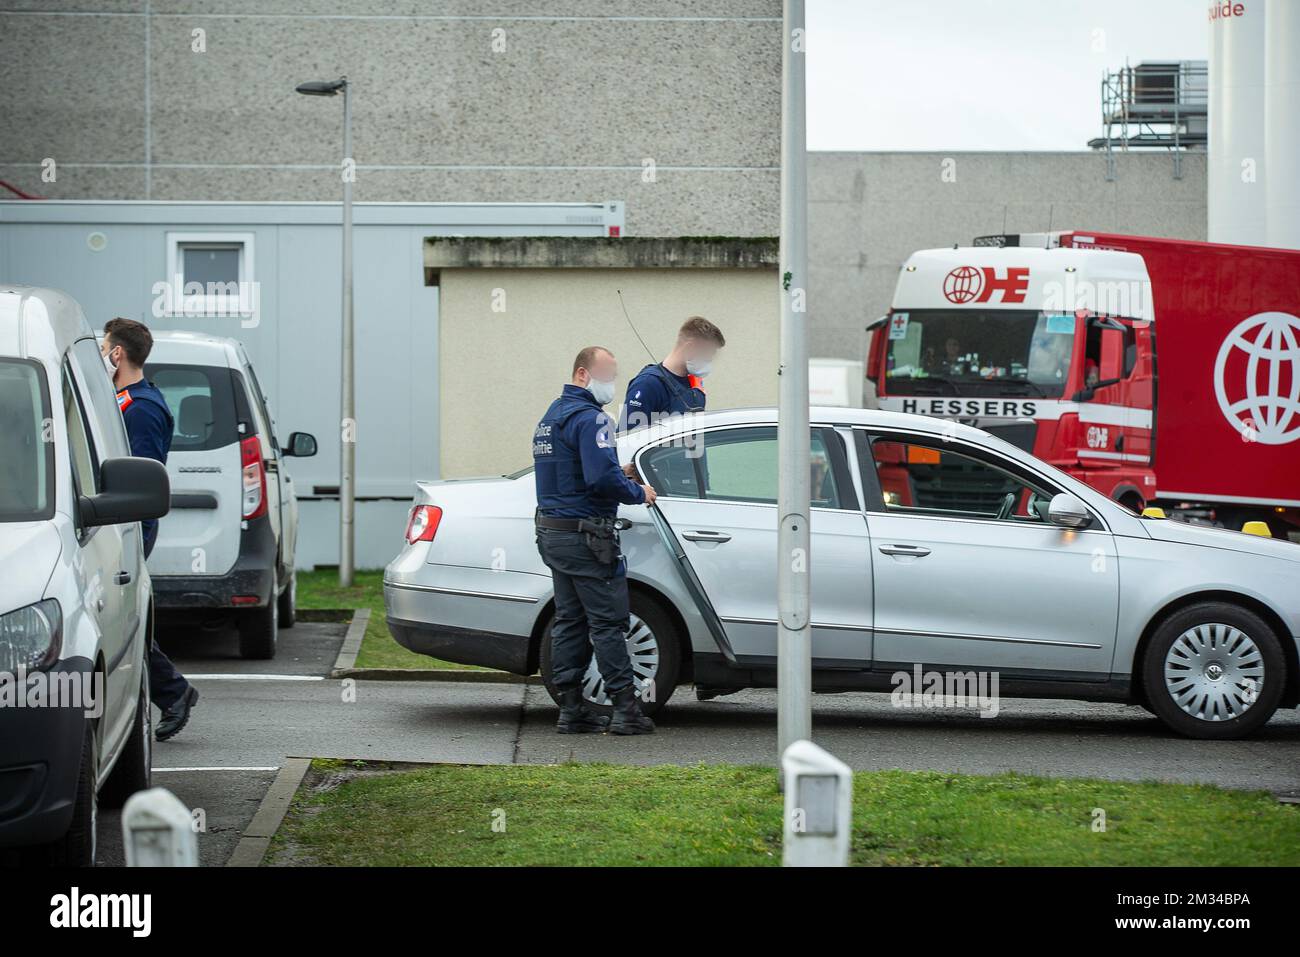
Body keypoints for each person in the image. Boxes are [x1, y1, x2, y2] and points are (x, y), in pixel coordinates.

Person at [533, 346, 658, 735]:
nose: (613, 384)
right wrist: (640, 493)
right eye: (608, 374)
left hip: (554, 534)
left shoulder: (550, 417)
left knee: (570, 620)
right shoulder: (592, 418)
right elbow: (600, 481)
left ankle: (571, 709)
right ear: (583, 373)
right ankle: (625, 710)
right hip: (588, 538)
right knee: (607, 623)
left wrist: (615, 472)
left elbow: (576, 471)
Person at [101, 318, 199, 742]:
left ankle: (174, 692)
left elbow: (138, 476)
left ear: (118, 353)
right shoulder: (126, 398)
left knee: (124, 619)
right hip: (121, 521)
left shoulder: (141, 407)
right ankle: (174, 691)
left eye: (105, 347)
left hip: (130, 523)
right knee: (121, 618)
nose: (102, 353)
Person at [618, 315, 725, 432]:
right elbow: (626, 440)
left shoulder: (694, 384)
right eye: (707, 354)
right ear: (690, 347)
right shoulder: (649, 384)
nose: (708, 361)